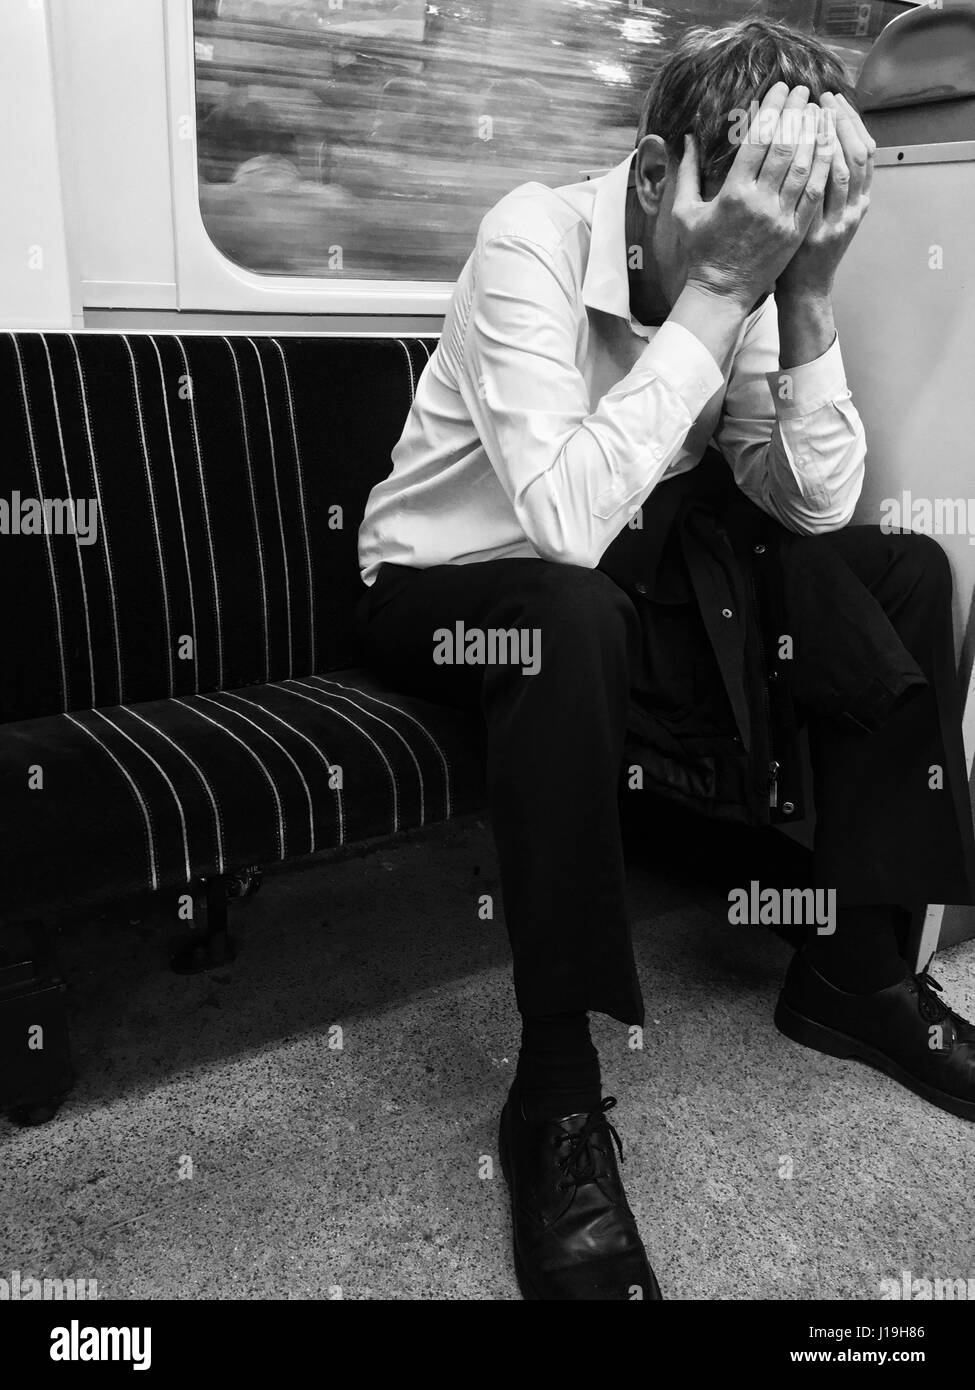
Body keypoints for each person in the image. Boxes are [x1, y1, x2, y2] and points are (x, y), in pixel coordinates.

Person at [353, 19, 975, 1300]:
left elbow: (812, 507)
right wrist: (718, 295)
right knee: (569, 616)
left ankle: (855, 972)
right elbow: (565, 524)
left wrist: (798, 297)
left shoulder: (752, 279)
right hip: (441, 584)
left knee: (902, 568)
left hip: (614, 572)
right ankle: (556, 1101)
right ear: (656, 174)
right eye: (751, 213)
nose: (764, 246)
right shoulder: (532, 234)